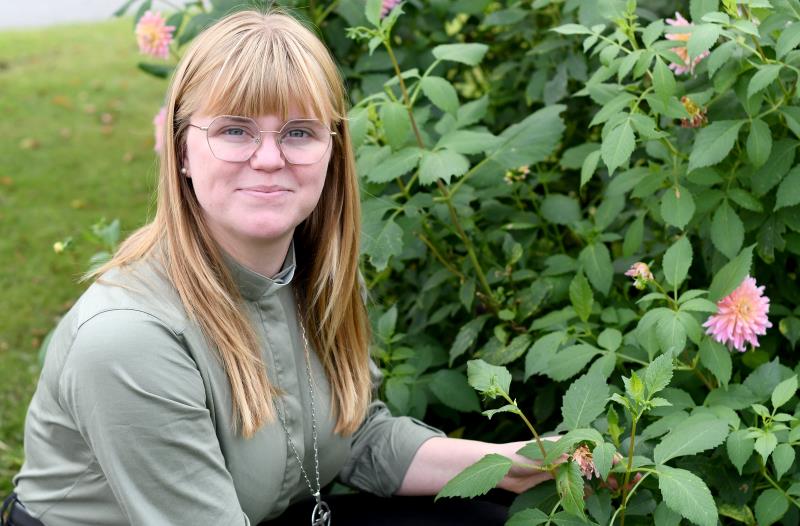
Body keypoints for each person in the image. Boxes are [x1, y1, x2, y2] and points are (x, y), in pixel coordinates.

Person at [1, 9, 553, 526]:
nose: (269, 158)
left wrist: (511, 462)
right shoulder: (129, 340)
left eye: (298, 132)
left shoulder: (316, 273)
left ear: (332, 150)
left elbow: (353, 437)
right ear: (182, 152)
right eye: (234, 130)